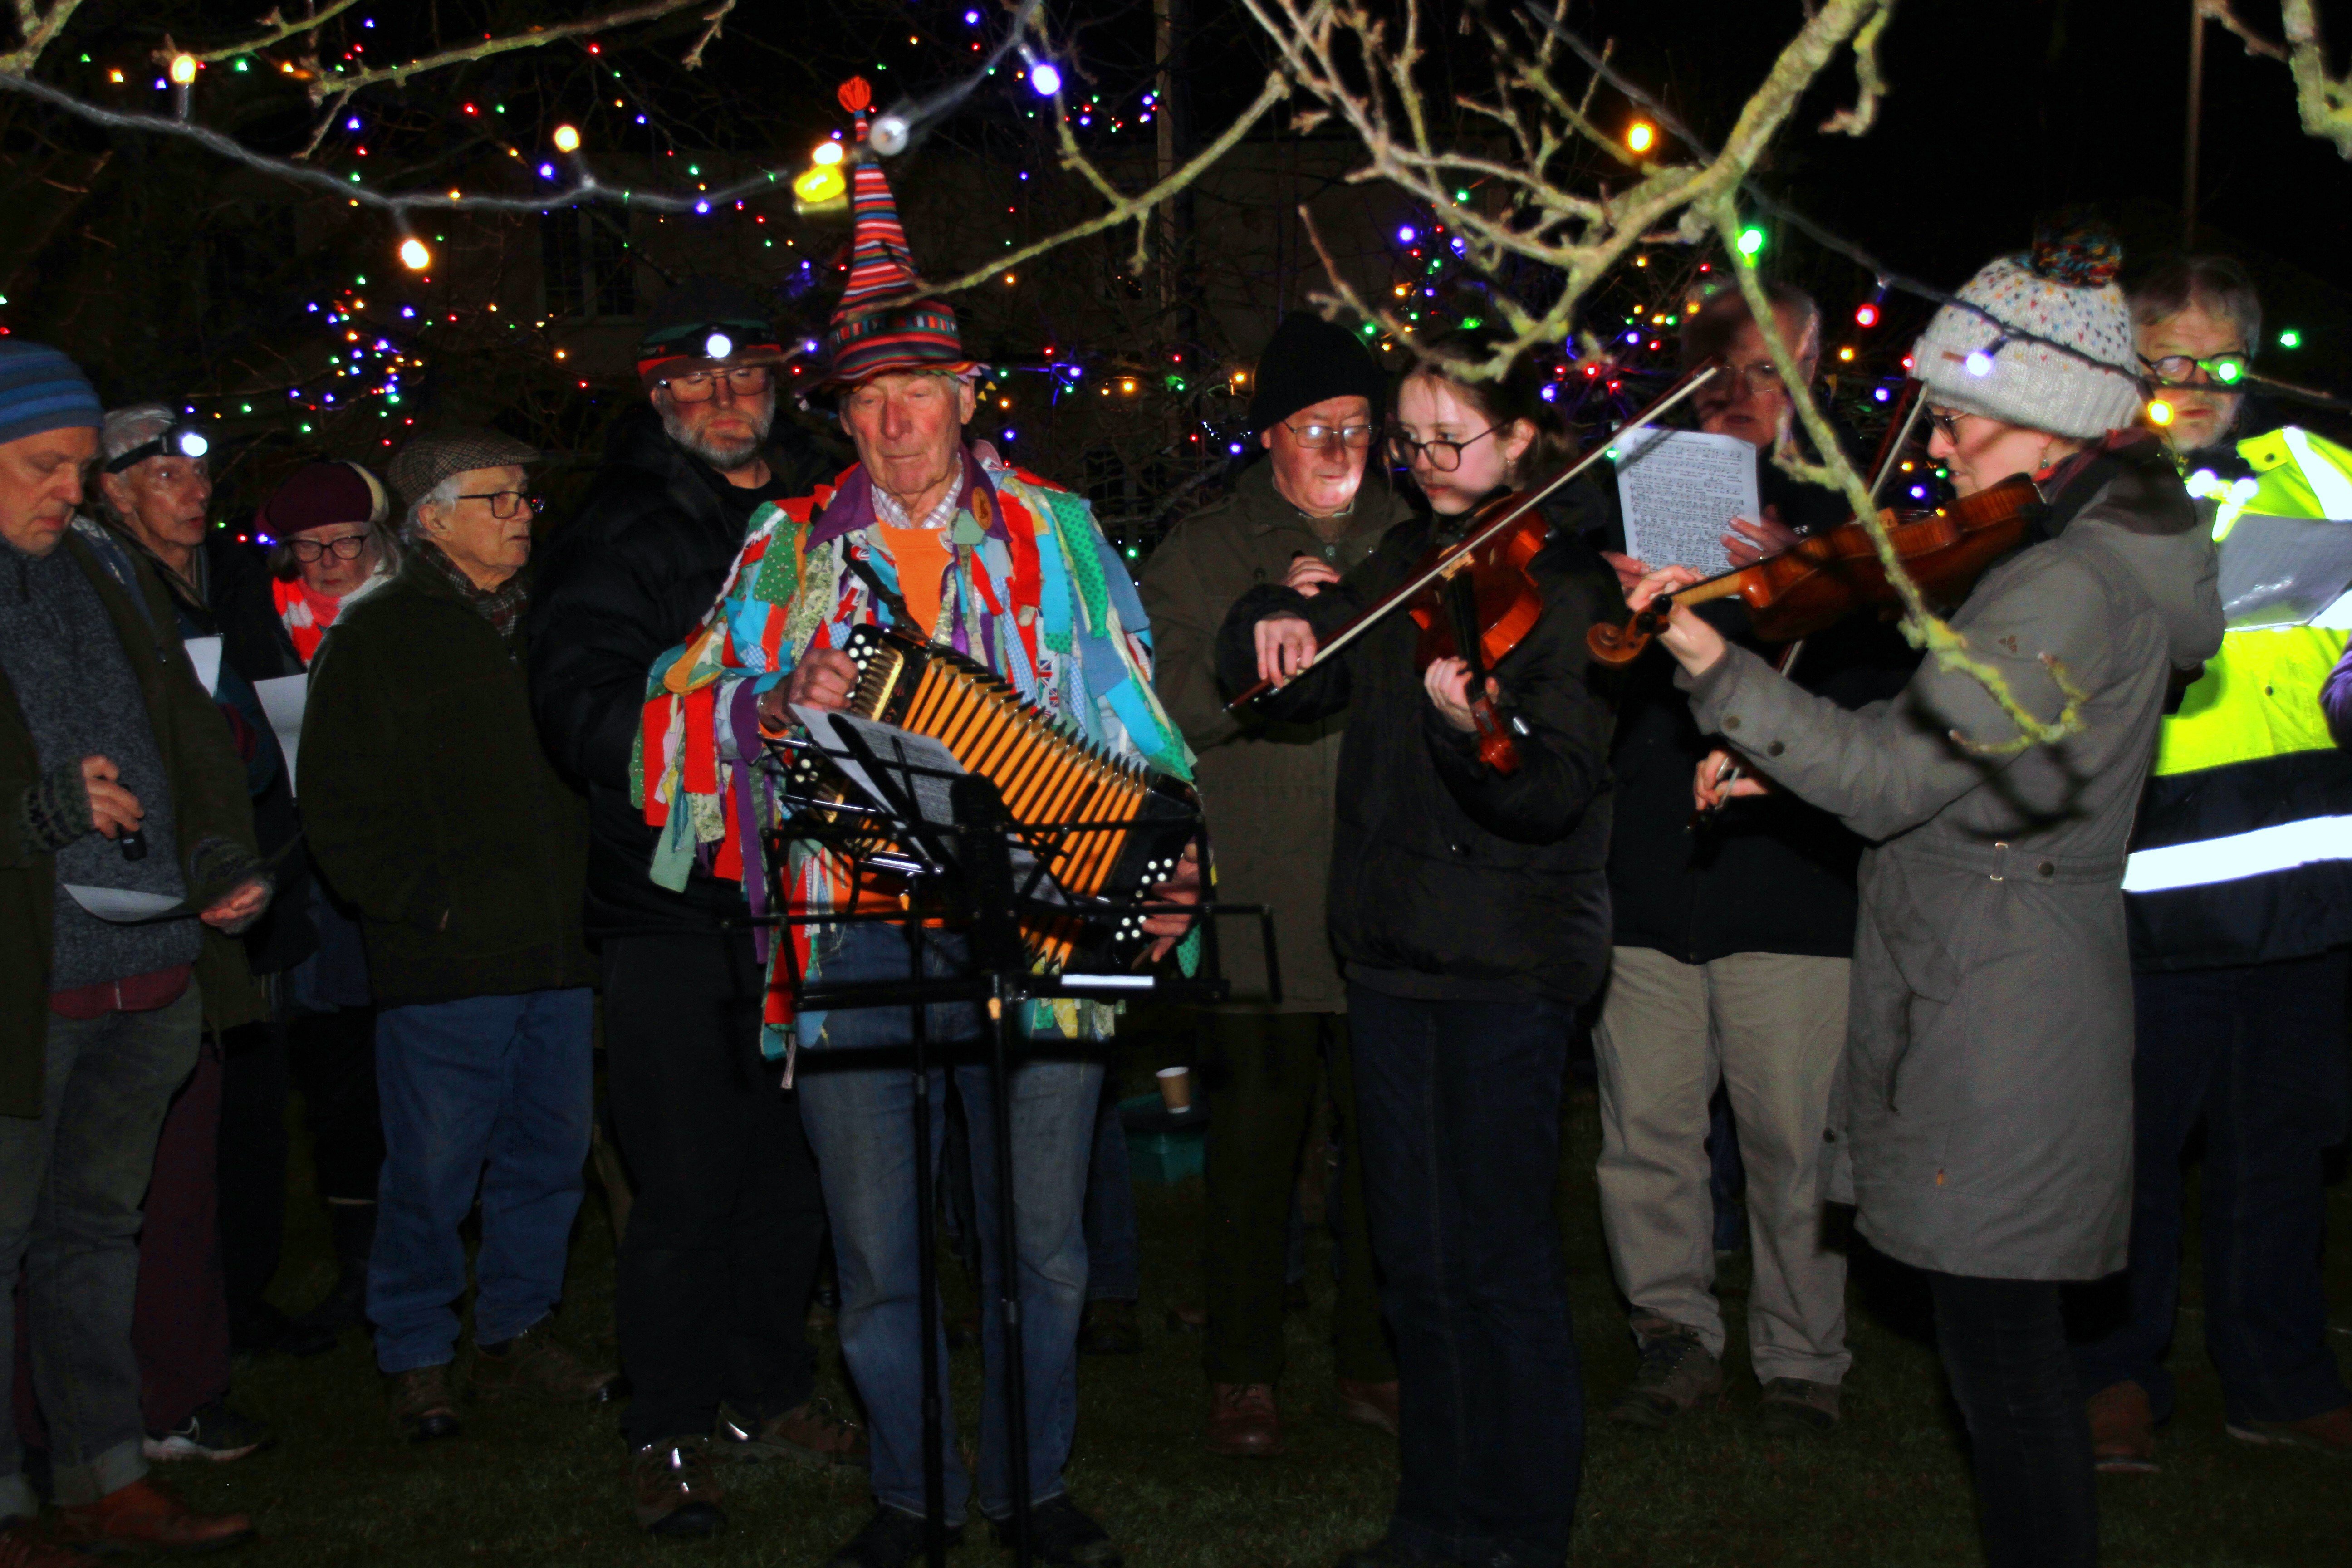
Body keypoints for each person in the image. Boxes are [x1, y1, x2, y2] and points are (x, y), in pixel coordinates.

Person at [641, 104, 1196, 1568]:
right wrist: (773, 697)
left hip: (1040, 931)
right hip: (856, 934)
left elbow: (1137, 734)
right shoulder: (784, 550)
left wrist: (1156, 864)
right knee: (880, 1257)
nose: (894, 422)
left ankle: (1027, 1482)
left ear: (967, 397)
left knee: (1046, 1246)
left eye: (919, 393)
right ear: (845, 415)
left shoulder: (1063, 533)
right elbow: (668, 721)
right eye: (868, 400)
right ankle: (912, 1494)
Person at [1623, 231, 2222, 1568]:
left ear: (2046, 425)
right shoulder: (2068, 553)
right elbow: (1962, 753)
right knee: (1997, 1378)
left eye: (1956, 423)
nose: (1939, 451)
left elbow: (1896, 777)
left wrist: (1714, 660)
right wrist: (1783, 771)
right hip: (1994, 969)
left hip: (2001, 1006)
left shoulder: (2072, 582)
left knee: (2009, 1384)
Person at [1220, 339, 1622, 1568]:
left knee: (1499, 1265)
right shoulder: (1399, 561)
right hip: (1391, 955)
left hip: (1508, 963)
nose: (1433, 465)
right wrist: (1268, 622)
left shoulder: (1571, 587)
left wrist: (1473, 731)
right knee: (1416, 1263)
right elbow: (1290, 679)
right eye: (1417, 439)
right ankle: (1435, 1523)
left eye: (1460, 438)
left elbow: (1553, 792)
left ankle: (1523, 1530)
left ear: (1525, 439)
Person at [528, 276, 855, 1537]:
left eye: (747, 379)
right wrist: (729, 730)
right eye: (698, 384)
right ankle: (666, 1424)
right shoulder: (614, 531)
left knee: (794, 1175)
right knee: (683, 1183)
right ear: (659, 395)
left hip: (813, 898)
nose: (728, 402)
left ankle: (765, 1391)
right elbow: (579, 711)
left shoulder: (825, 511)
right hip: (677, 909)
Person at [1592, 284, 1913, 1436]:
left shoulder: (1848, 520)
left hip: (1790, 877)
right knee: (1650, 1135)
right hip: (1651, 867)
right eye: (1730, 371)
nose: (1751, 396)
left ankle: (1800, 1362)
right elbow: (1595, 683)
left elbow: (1885, 710)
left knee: (1793, 1138)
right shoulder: (1617, 499)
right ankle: (1672, 1337)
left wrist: (1805, 583)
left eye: (1778, 372)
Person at [2074, 256, 2352, 1464]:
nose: (2193, 388)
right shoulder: (2090, 497)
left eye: (2217, 363)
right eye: (2164, 365)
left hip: (2311, 890)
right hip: (2152, 894)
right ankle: (2110, 1375)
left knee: (2283, 1152)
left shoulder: (2331, 479)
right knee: (2127, 1157)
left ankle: (2279, 1376)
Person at [0, 341, 270, 1557]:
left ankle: (106, 1476)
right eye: (42, 466)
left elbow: (188, 740)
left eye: (74, 464)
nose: (69, 486)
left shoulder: (106, 567)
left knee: (96, 1236)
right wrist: (42, 816)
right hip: (24, 981)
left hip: (146, 965)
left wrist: (218, 862)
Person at [303, 430, 616, 1446]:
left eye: (527, 496)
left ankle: (518, 1331)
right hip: (445, 964)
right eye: (500, 499)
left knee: (548, 1160)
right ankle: (417, 1353)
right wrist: (425, 910)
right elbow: (338, 809)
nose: (525, 513)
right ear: (431, 517)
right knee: (433, 1172)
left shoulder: (553, 624)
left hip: (560, 952)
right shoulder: (380, 636)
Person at [1137, 312, 1405, 1458]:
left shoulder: (1415, 534)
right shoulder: (1203, 549)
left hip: (1397, 896)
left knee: (1386, 1150)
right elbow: (1159, 705)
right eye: (1315, 428)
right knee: (1252, 1150)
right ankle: (1242, 1369)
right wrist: (1258, 651)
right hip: (1261, 889)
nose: (1341, 448)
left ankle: (1374, 1358)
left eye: (1359, 426)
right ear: (1269, 437)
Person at [94, 405, 322, 1363]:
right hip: (176, 879)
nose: (193, 495)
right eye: (163, 479)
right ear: (112, 491)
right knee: (188, 1104)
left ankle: (243, 1292)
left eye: (197, 477)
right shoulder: (108, 590)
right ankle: (182, 1321)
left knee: (258, 1094)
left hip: (271, 859)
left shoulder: (233, 579)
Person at [249, 464, 400, 1345]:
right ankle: (359, 1267)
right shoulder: (267, 625)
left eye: (349, 542)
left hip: (407, 864)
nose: (333, 561)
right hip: (315, 881)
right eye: (312, 547)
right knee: (341, 1072)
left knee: (418, 1065)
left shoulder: (408, 609)